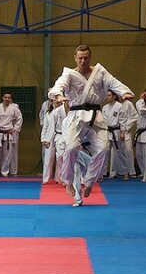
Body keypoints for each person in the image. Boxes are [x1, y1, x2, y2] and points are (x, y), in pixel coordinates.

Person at [49, 44, 133, 198]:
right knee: (71, 148)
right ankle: (67, 181)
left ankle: (89, 181)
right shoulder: (68, 74)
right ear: (75, 58)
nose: (82, 61)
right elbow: (59, 85)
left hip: (96, 115)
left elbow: (113, 82)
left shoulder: (99, 71)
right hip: (76, 114)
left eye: (85, 58)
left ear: (90, 58)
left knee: (104, 148)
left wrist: (124, 91)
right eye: (80, 58)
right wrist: (58, 95)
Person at [0, 92, 23, 177]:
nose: (7, 99)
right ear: (2, 98)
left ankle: (4, 171)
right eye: (5, 97)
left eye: (9, 97)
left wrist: (15, 128)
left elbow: (19, 119)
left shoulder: (14, 108)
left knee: (7, 155)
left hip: (8, 133)